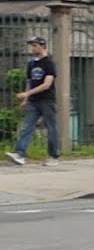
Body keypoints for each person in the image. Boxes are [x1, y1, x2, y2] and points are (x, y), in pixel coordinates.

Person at [7, 36, 59, 166]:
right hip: (33, 102)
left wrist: (27, 93)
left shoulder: (49, 63)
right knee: (26, 127)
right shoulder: (31, 64)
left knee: (51, 128)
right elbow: (29, 82)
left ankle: (53, 157)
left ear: (43, 46)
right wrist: (26, 99)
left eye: (35, 45)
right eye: (32, 45)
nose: (33, 48)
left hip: (47, 100)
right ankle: (19, 154)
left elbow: (47, 84)